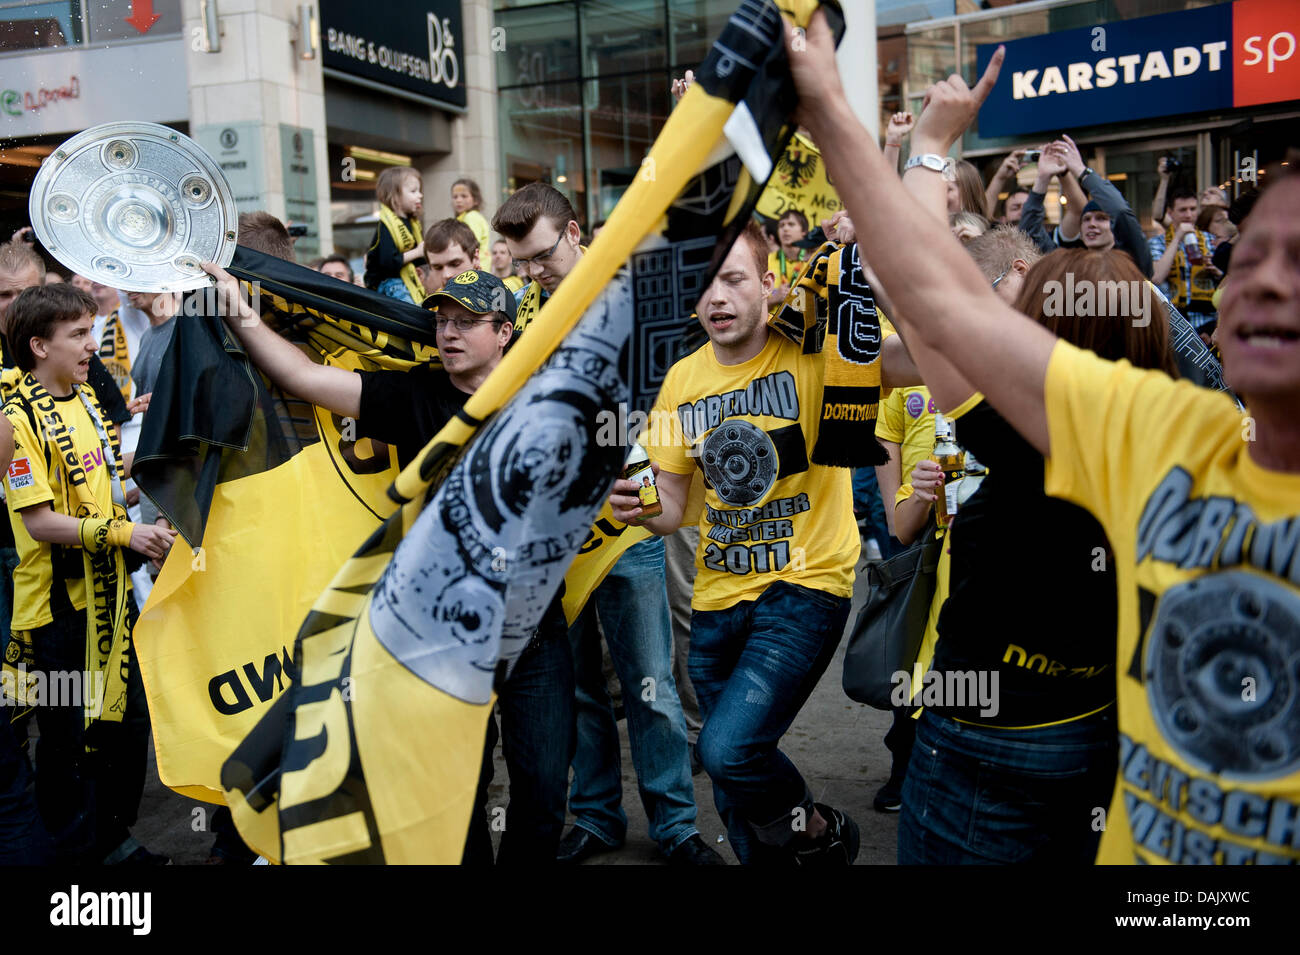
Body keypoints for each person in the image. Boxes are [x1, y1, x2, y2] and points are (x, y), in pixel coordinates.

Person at [787, 11, 1300, 866]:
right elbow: (939, 305)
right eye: (1250, 258)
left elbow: (930, 305)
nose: (1266, 282)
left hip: (996, 752)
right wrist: (836, 112)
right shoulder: (1172, 429)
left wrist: (923, 151)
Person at [206, 261, 576, 864]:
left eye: (467, 322)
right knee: (459, 788)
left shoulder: (546, 396)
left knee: (542, 790)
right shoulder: (414, 394)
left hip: (535, 634)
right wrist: (237, 310)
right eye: (442, 321)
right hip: (446, 638)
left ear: (505, 331)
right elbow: (302, 375)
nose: (449, 333)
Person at [610, 220, 862, 866]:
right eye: (704, 284)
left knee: (725, 749)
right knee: (731, 790)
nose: (716, 297)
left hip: (804, 588)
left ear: (770, 282)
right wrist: (629, 501)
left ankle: (819, 826)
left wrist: (861, 270)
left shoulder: (813, 348)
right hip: (718, 602)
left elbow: (914, 356)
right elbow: (667, 505)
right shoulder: (682, 380)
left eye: (734, 278)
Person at [493, 181, 715, 866]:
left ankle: (676, 823)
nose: (531, 272)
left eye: (539, 256)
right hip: (556, 530)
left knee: (650, 681)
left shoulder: (631, 291)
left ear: (575, 231)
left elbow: (695, 245)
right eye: (520, 261)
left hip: (628, 510)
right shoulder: (524, 311)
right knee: (581, 686)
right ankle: (596, 815)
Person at [1, 283, 175, 864]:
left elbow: (101, 494)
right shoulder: (15, 418)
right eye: (76, 335)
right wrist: (131, 534)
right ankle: (77, 857)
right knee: (68, 740)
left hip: (110, 596)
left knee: (121, 729)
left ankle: (112, 840)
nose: (91, 346)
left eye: (90, 331)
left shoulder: (84, 399)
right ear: (38, 346)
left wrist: (152, 471)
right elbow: (41, 523)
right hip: (59, 611)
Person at [1019, 136, 1152, 276]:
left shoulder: (1132, 260)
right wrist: (1042, 178)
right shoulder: (1070, 267)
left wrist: (1081, 170)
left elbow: (1119, 210)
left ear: (1115, 227)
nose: (1092, 224)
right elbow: (1028, 235)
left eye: (1101, 218)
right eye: (1086, 219)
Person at [1149, 187, 1219, 332]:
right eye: (1183, 210)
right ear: (1170, 212)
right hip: (1173, 323)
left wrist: (1216, 271)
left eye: (1193, 209)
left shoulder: (1210, 240)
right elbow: (1157, 277)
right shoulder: (1157, 243)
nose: (1188, 215)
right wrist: (1177, 238)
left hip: (1208, 322)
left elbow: (1225, 280)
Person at [365, 166, 426, 304]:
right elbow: (388, 263)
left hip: (406, 282)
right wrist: (417, 252)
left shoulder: (412, 223)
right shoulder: (386, 226)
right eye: (413, 191)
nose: (420, 195)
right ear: (395, 196)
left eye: (419, 190)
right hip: (389, 284)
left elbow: (419, 259)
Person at [422, 219, 481, 294]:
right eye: (438, 268)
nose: (446, 275)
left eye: (455, 264)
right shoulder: (427, 305)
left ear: (475, 258)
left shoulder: (497, 300)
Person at [767, 208, 809, 308]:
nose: (785, 229)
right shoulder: (766, 260)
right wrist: (773, 299)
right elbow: (753, 305)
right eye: (781, 225)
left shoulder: (814, 261)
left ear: (804, 231)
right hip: (771, 322)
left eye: (791, 224)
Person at [983, 148, 1030, 224]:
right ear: (1003, 219)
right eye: (1016, 208)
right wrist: (1000, 178)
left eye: (1028, 208)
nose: (1022, 212)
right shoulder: (995, 235)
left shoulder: (1046, 235)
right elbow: (981, 218)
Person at [452, 177, 492, 265]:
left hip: (475, 267)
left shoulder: (471, 217)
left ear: (476, 200)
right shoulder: (467, 217)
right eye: (455, 197)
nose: (458, 200)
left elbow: (469, 245)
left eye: (464, 196)